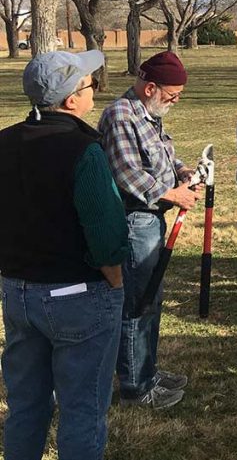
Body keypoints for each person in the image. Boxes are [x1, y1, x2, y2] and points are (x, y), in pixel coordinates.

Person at [0, 50, 129, 460]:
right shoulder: (82, 149)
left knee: (26, 404)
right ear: (72, 100)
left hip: (17, 292)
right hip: (77, 294)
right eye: (91, 86)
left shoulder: (4, 141)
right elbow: (105, 231)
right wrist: (115, 278)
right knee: (83, 409)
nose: (96, 93)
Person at [99, 50, 199, 409]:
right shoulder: (120, 116)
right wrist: (175, 195)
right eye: (172, 95)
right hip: (133, 220)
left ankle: (148, 371)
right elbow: (127, 174)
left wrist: (183, 172)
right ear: (150, 87)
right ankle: (135, 388)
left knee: (151, 297)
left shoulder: (148, 115)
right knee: (137, 303)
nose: (175, 101)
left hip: (151, 219)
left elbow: (164, 155)